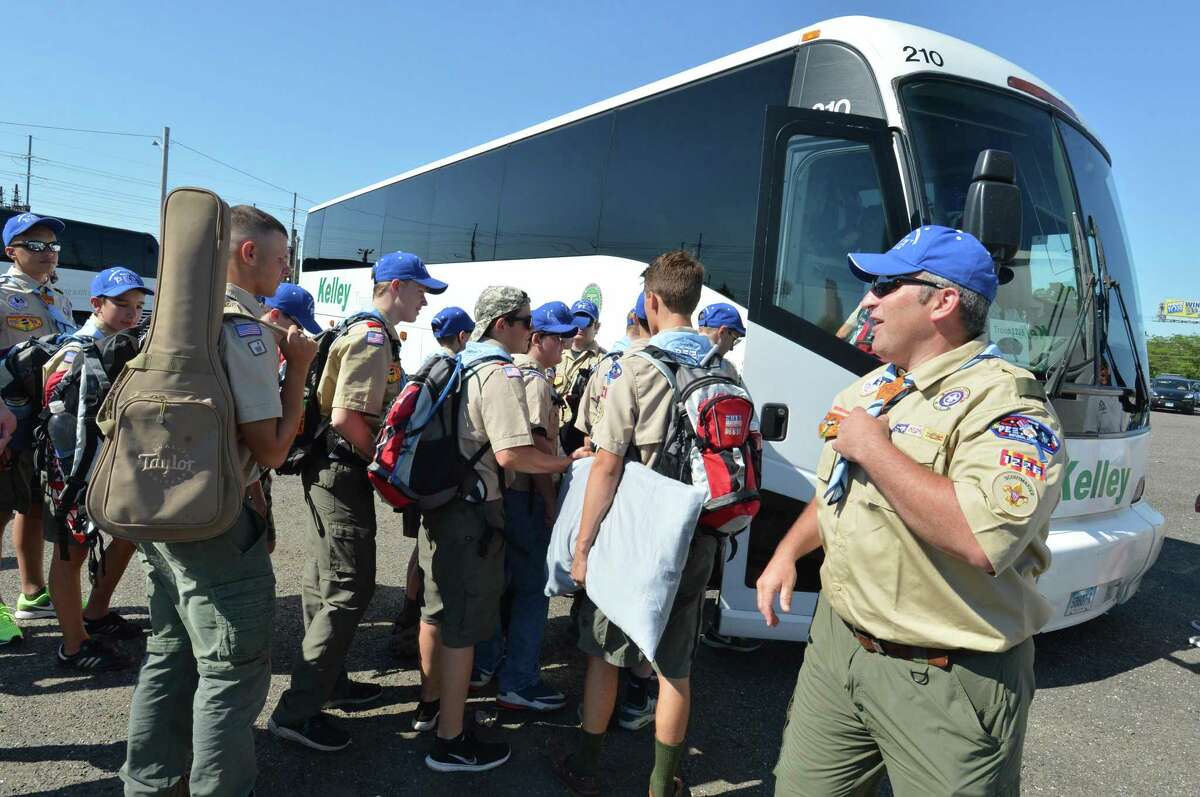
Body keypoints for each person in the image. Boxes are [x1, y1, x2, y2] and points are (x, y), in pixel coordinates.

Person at [756, 226, 1065, 797]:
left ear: (943, 301)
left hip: (947, 675)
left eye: (885, 284)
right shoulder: (870, 391)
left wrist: (873, 447)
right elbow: (837, 492)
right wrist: (786, 552)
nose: (866, 300)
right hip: (839, 647)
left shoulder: (1008, 404)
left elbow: (981, 537)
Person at [121, 205, 318, 797]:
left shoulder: (176, 320)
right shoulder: (245, 330)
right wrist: (300, 369)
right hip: (218, 521)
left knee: (169, 652)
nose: (287, 270)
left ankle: (150, 783)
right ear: (248, 253)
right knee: (231, 670)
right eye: (282, 258)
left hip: (159, 509)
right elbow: (273, 448)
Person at [555, 250, 734, 797]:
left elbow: (606, 465)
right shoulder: (723, 368)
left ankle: (586, 767)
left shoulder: (635, 367)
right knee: (674, 666)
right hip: (697, 532)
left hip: (635, 535)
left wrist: (582, 548)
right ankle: (662, 784)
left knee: (606, 654)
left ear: (652, 302)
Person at [269, 251, 438, 752]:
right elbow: (346, 418)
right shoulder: (371, 336)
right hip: (341, 469)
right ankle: (298, 710)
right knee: (348, 585)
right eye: (420, 288)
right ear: (396, 286)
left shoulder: (361, 328)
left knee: (323, 579)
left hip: (329, 469)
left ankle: (328, 680)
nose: (424, 299)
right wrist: (383, 467)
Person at [420, 285, 584, 774]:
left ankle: (432, 710)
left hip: (444, 502)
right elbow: (514, 454)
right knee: (465, 622)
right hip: (472, 509)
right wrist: (566, 461)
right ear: (502, 325)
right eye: (525, 320)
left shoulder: (459, 362)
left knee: (445, 610)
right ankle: (450, 741)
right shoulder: (497, 372)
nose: (532, 329)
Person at [42, 267, 154, 670]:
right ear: (96, 304)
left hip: (115, 465)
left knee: (129, 534)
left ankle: (97, 612)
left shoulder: (126, 343)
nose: (131, 313)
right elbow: (58, 419)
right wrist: (75, 481)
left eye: (138, 306)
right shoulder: (78, 348)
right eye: (121, 304)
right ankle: (73, 646)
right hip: (75, 469)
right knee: (71, 551)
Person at [473, 300, 577, 712]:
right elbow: (534, 450)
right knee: (533, 590)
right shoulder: (533, 381)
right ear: (538, 339)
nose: (566, 345)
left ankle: (486, 663)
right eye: (560, 338)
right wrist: (551, 504)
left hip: (514, 494)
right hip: (527, 495)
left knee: (507, 584)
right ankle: (518, 680)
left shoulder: (523, 374)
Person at [569, 292, 660, 731]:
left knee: (600, 609)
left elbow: (588, 437)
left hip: (605, 495)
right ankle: (637, 696)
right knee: (645, 609)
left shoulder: (609, 366)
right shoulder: (680, 366)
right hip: (650, 505)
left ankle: (591, 732)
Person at [0, 212, 77, 635]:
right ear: (12, 252)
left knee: (31, 503)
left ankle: (32, 592)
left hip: (45, 416)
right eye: (36, 246)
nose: (47, 254)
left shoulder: (58, 298)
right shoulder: (3, 295)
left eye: (52, 246)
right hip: (8, 417)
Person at [405, 306, 475, 728]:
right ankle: (449, 720)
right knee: (453, 610)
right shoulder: (458, 373)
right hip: (450, 495)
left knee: (431, 599)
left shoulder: (426, 368)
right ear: (464, 336)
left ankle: (426, 702)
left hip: (421, 490)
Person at [693, 301, 761, 655]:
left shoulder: (671, 361)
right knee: (695, 579)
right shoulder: (728, 373)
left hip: (670, 491)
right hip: (713, 493)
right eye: (734, 336)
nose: (734, 343)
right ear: (722, 332)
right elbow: (752, 433)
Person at [255, 283, 324, 554]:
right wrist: (258, 497)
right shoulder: (256, 353)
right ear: (275, 316)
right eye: (297, 324)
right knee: (258, 546)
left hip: (258, 475)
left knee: (266, 545)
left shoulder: (269, 351)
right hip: (250, 477)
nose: (301, 332)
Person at [556, 298, 606, 452]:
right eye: (576, 321)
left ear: (596, 327)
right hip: (553, 433)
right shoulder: (555, 353)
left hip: (582, 435)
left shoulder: (604, 360)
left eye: (586, 323)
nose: (580, 328)